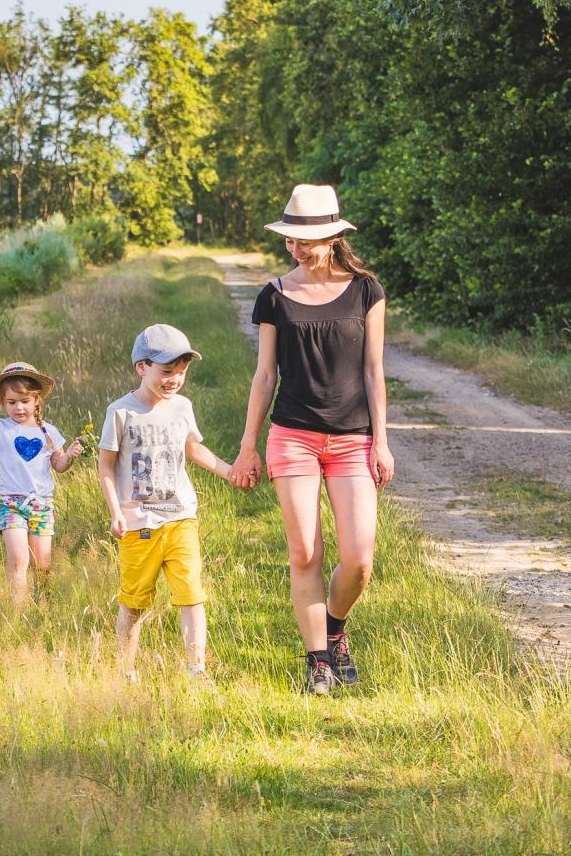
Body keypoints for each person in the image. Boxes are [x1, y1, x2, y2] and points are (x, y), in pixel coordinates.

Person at [227, 183, 392, 695]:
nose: (297, 248)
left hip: (353, 440)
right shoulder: (274, 295)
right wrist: (248, 444)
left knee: (359, 559)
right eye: (291, 240)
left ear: (333, 236)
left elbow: (373, 371)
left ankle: (336, 628)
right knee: (305, 553)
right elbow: (264, 377)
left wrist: (381, 441)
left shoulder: (367, 290)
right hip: (292, 436)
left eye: (307, 240)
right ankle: (317, 661)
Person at [98, 325, 237, 682]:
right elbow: (106, 467)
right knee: (134, 601)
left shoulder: (182, 407)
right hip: (138, 523)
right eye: (166, 371)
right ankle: (125, 670)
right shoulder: (121, 412)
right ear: (141, 367)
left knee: (191, 594)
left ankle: (197, 669)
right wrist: (115, 512)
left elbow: (193, 448)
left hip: (180, 517)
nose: (174, 379)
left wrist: (229, 471)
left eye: (181, 372)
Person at [0, 362, 86, 602]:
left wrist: (70, 456)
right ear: (3, 402)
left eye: (24, 401)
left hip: (42, 505)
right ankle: (18, 608)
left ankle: (43, 605)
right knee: (18, 558)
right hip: (11, 503)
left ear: (37, 400)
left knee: (42, 563)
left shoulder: (48, 431)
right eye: (11, 402)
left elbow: (59, 466)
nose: (18, 408)